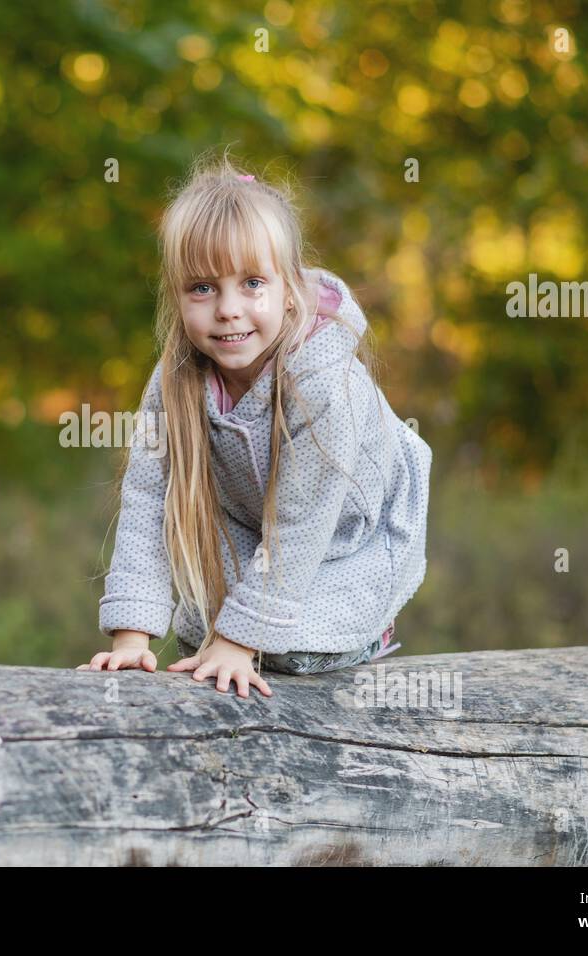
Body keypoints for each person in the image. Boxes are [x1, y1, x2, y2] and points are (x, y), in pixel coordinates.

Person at [78, 151, 432, 699]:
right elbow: (148, 499)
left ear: (289, 288)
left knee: (277, 650)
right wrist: (133, 635)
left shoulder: (321, 382)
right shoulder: (175, 377)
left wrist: (241, 641)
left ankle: (365, 635)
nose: (227, 309)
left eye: (252, 283)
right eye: (202, 288)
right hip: (256, 521)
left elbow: (300, 523)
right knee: (201, 631)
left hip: (349, 533)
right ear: (176, 297)